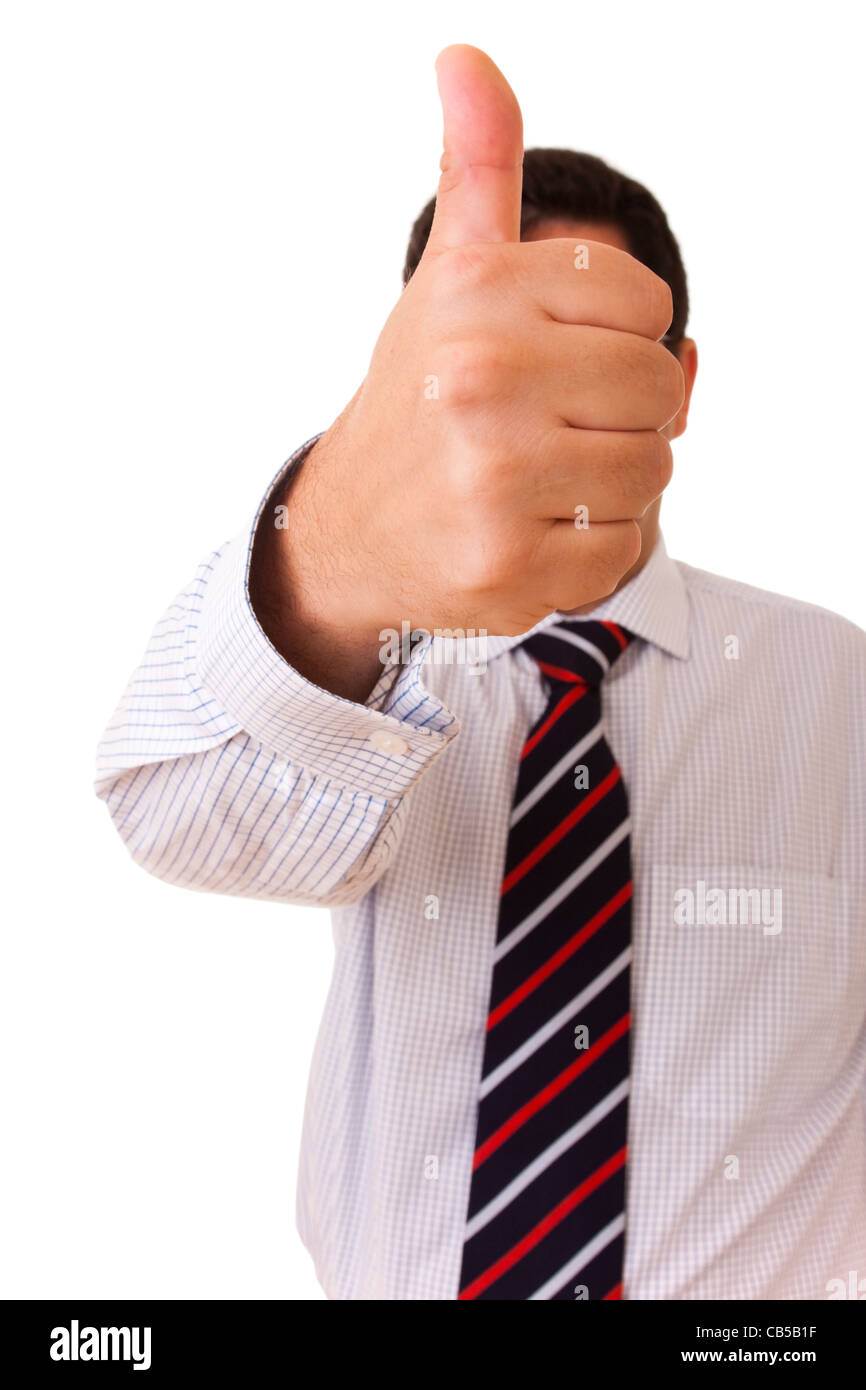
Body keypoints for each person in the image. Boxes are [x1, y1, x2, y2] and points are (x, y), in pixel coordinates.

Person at [95, 45, 866, 1300]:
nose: (529, 398)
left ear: (675, 387)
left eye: (586, 349)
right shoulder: (355, 656)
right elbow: (173, 812)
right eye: (492, 352)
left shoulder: (840, 689)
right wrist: (338, 543)